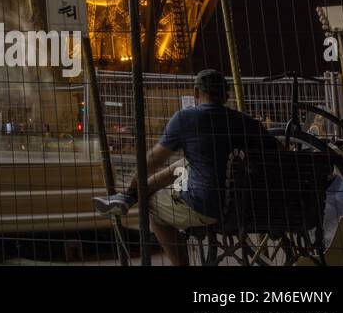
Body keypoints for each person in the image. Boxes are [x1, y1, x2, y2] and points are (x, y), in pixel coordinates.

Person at [93, 69, 279, 265]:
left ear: (196, 93)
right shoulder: (244, 121)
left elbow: (154, 160)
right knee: (183, 163)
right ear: (226, 95)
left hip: (206, 206)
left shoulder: (185, 118)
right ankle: (129, 196)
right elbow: (281, 150)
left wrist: (133, 181)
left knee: (151, 203)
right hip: (245, 204)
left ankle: (133, 196)